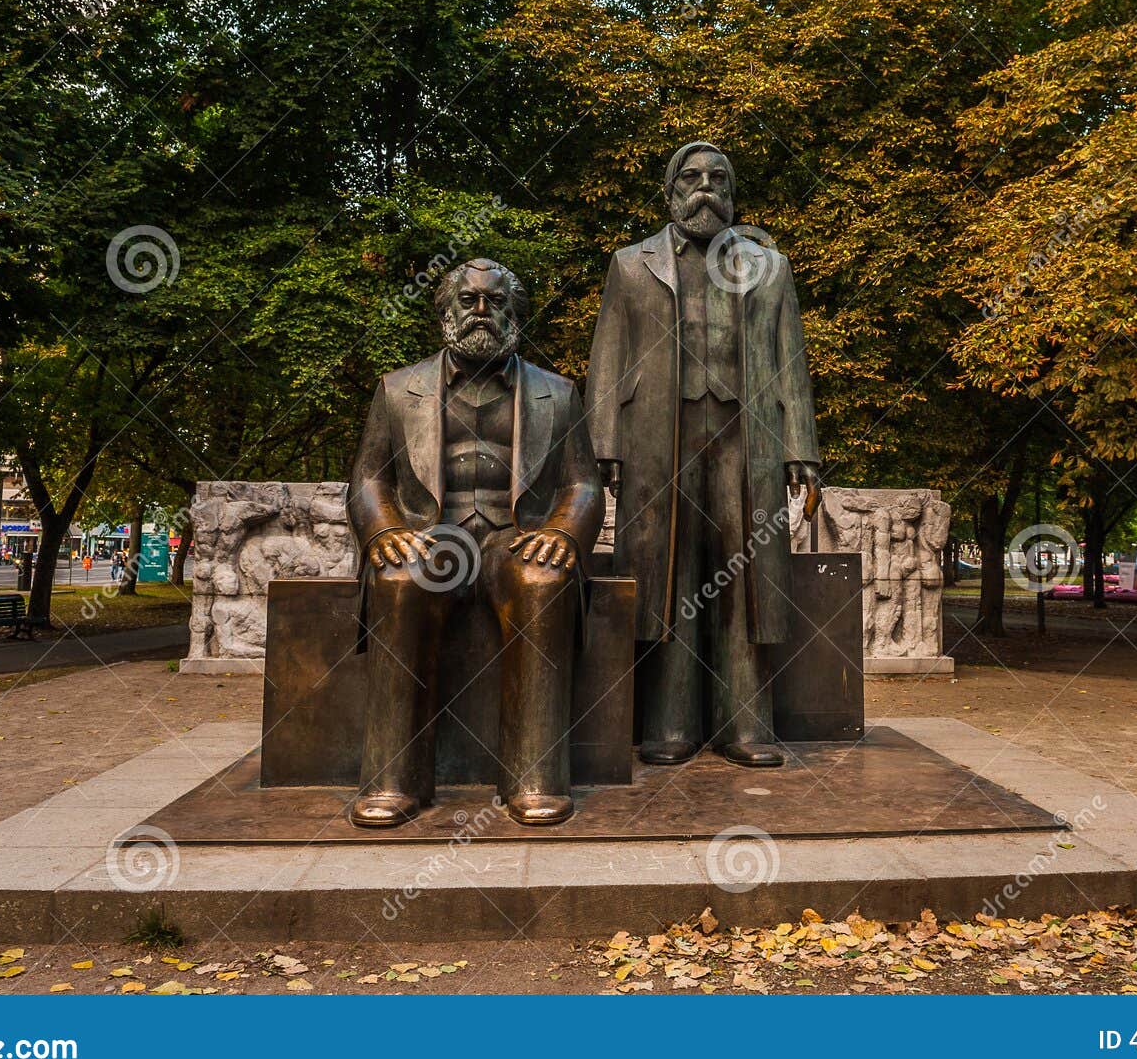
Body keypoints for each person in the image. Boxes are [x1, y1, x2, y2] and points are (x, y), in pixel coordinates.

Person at [585, 142, 820, 768]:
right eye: (691, 177)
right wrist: (601, 444)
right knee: (670, 575)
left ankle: (746, 725)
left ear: (734, 192)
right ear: (670, 192)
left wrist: (803, 451)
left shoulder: (770, 267)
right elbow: (608, 355)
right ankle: (669, 724)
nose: (706, 187)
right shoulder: (630, 265)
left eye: (719, 177)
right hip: (657, 434)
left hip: (750, 435)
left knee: (748, 577)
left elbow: (790, 359)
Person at [347, 258, 603, 828]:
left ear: (517, 314)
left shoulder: (558, 394)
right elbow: (369, 480)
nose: (482, 311)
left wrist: (563, 531)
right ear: (445, 312)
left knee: (542, 581)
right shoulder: (396, 390)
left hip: (517, 536)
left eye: (496, 301)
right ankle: (393, 781)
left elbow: (583, 482)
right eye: (469, 301)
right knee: (399, 580)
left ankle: (534, 779)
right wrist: (385, 529)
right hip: (431, 536)